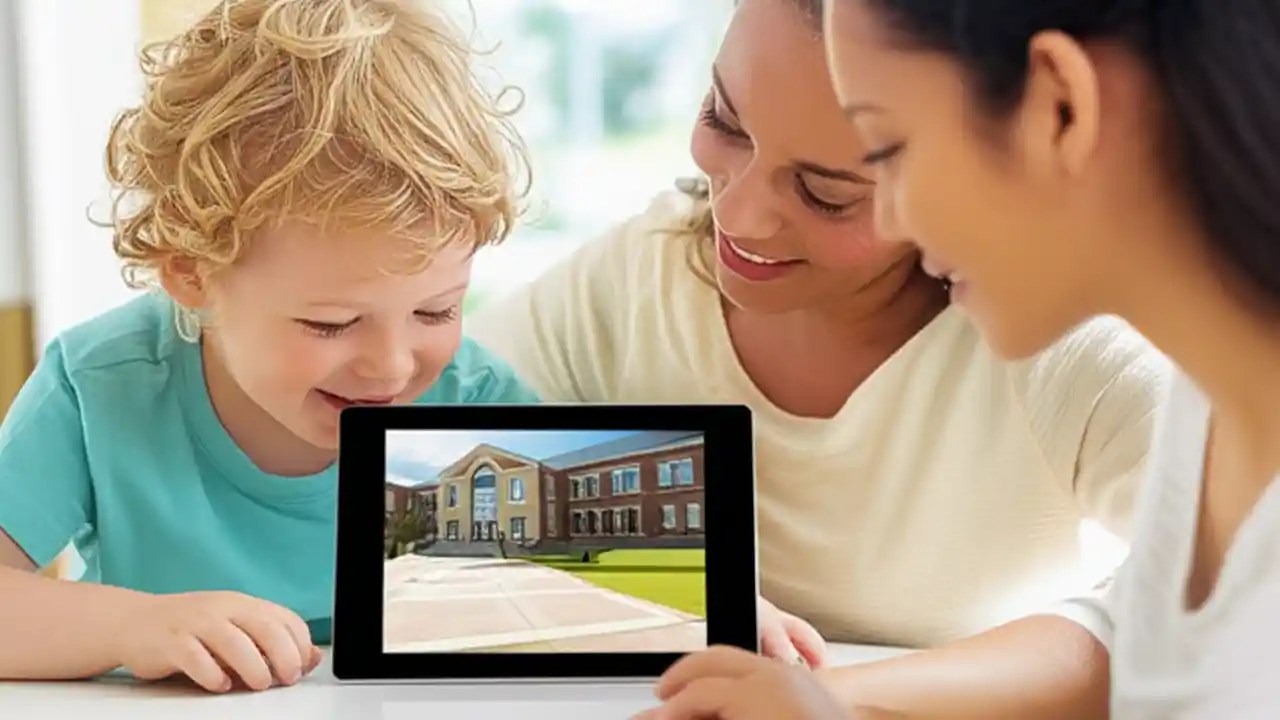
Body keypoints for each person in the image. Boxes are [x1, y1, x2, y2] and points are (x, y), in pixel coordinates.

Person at [470, 0, 1169, 715]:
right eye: (724, 119)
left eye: (826, 193)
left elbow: (1216, 599)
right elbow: (410, 450)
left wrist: (830, 699)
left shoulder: (1057, 332)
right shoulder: (644, 276)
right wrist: (670, 581)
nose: (737, 216)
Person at [644, 0, 1280, 717]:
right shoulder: (1216, 405)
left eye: (888, 152)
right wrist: (822, 702)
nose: (894, 226)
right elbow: (1140, 624)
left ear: (1059, 109)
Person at [0, 0, 536, 694]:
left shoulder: (474, 400)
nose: (394, 367)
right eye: (331, 324)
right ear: (191, 272)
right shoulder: (100, 385)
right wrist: (138, 626)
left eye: (437, 310)